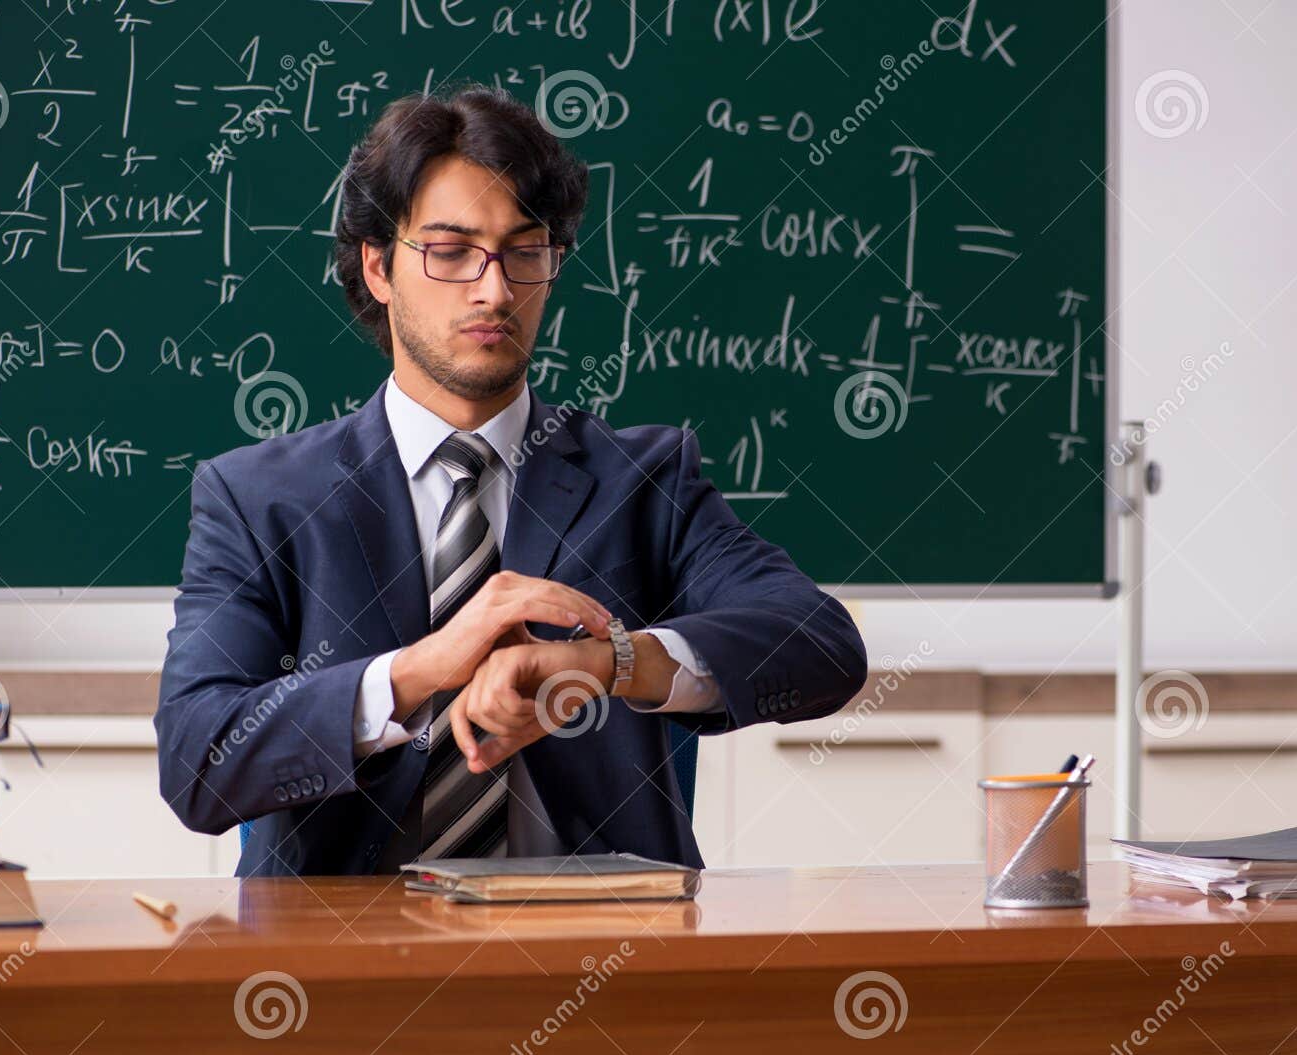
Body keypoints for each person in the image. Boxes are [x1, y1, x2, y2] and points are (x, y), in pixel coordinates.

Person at [155, 86, 867, 876]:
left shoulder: (640, 478)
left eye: (524, 251)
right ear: (378, 266)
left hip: (597, 954)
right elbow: (197, 760)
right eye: (451, 252)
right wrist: (425, 668)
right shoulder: (257, 498)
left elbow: (822, 645)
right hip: (345, 969)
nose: (495, 290)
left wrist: (608, 664)